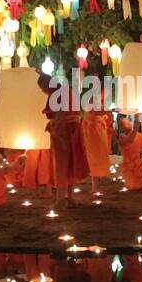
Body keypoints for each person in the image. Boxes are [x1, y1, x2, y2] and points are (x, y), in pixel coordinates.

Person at [39, 74, 89, 208]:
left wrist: (55, 126)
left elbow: (55, 115)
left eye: (42, 89)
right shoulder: (69, 91)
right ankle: (70, 197)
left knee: (61, 165)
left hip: (62, 132)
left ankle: (60, 200)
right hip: (74, 130)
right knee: (71, 164)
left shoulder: (55, 95)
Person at [81, 107, 113, 193]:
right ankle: (95, 185)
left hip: (99, 130)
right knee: (94, 156)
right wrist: (107, 111)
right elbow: (93, 111)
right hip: (93, 131)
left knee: (99, 156)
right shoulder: (93, 100)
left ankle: (96, 183)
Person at [116, 115, 142, 191]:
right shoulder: (122, 136)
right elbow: (130, 140)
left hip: (139, 165)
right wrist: (136, 126)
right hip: (129, 167)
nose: (126, 125)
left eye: (127, 122)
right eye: (123, 124)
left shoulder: (139, 135)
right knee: (132, 186)